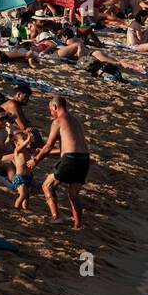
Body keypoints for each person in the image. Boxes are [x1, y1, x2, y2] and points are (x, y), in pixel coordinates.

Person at [33, 95, 90, 228]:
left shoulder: (58, 121)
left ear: (54, 107)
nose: (51, 113)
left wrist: (35, 160)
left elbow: (48, 146)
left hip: (71, 159)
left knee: (47, 186)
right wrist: (44, 152)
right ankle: (78, 224)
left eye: (50, 110)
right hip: (84, 159)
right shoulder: (75, 121)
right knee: (73, 193)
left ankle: (56, 217)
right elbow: (69, 147)